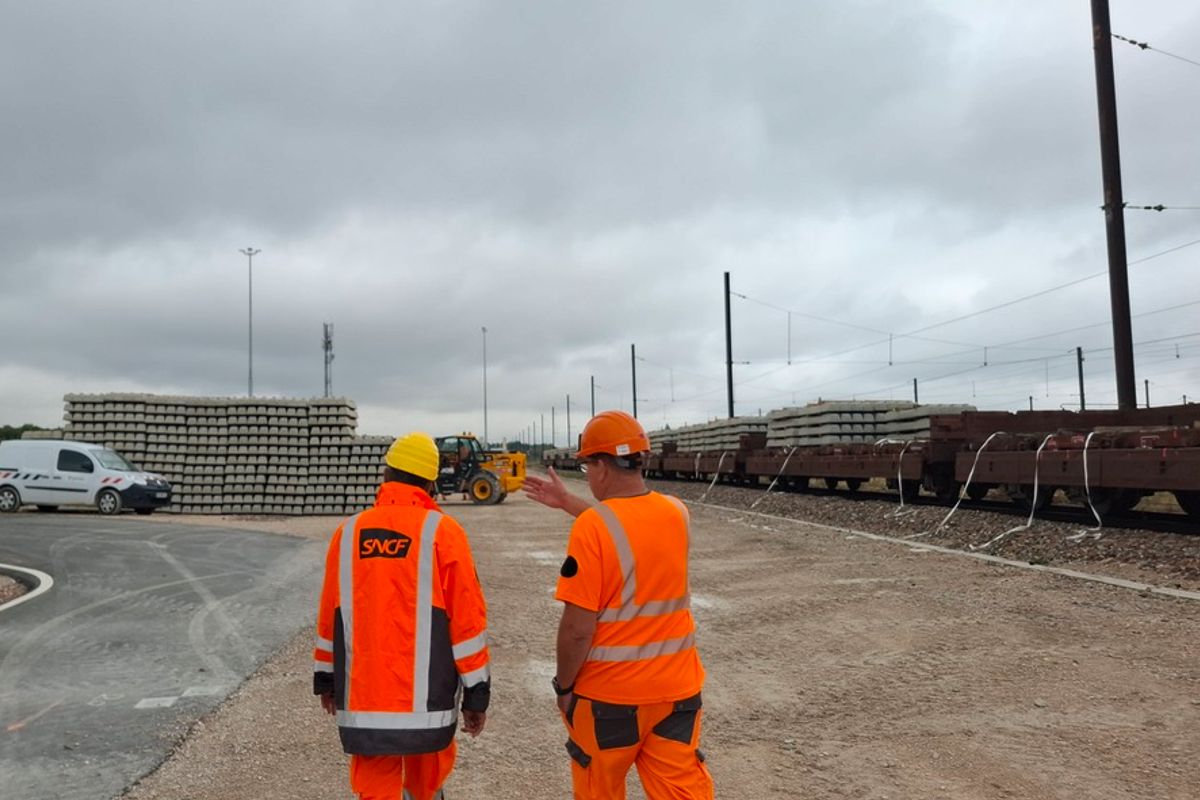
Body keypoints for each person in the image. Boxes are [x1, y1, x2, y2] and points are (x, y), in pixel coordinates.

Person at [524, 410, 713, 800]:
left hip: (609, 700)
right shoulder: (677, 513)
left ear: (601, 466)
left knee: (599, 789)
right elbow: (629, 526)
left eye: (587, 466)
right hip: (676, 694)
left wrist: (564, 685)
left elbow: (577, 630)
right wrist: (568, 502)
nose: (588, 476)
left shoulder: (592, 528)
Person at [313, 431, 491, 800]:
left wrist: (326, 680)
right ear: (429, 484)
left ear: (386, 475)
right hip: (429, 705)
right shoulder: (444, 533)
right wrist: (477, 695)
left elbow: (331, 615)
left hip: (364, 703)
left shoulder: (348, 533)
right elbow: (467, 623)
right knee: (426, 785)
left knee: (375, 788)